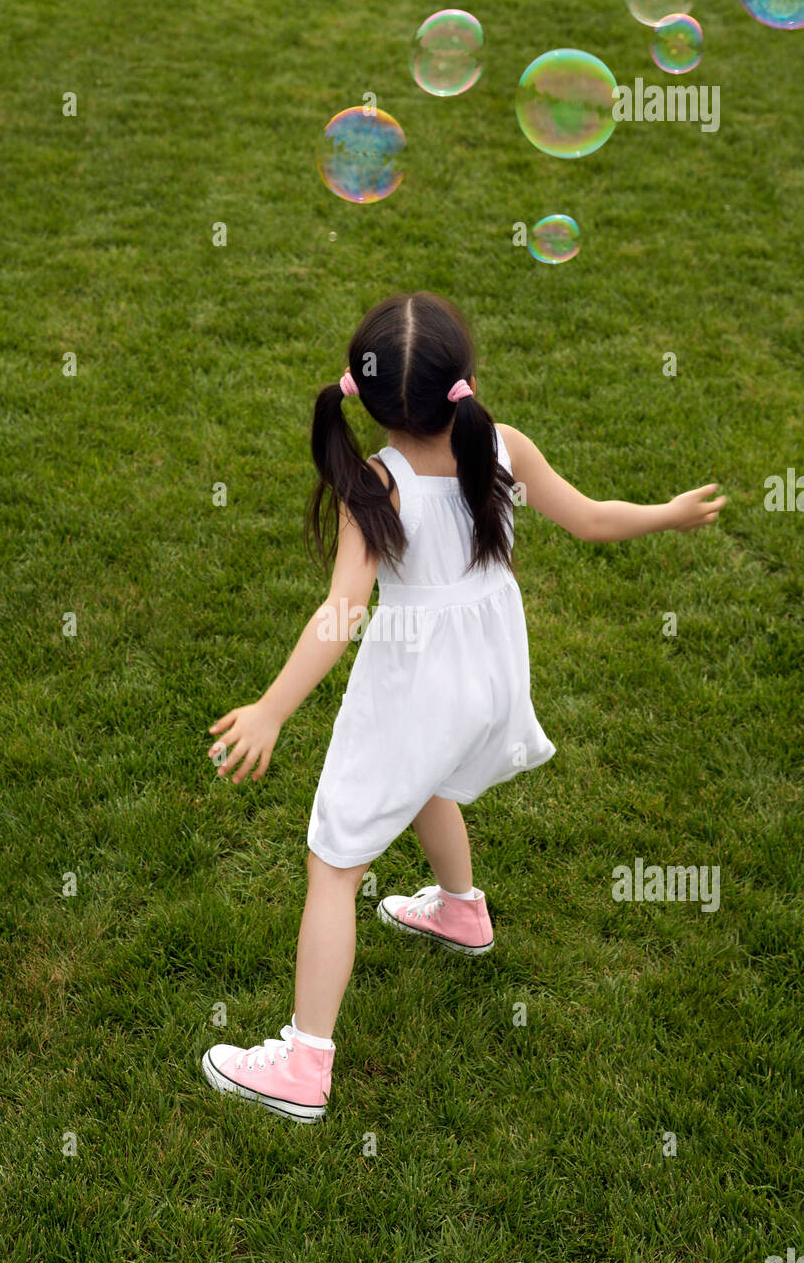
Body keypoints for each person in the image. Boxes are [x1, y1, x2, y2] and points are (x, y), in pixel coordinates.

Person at [200, 291, 726, 1124]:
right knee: (430, 777)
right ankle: (459, 910)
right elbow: (588, 519)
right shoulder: (503, 446)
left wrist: (272, 707)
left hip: (414, 688)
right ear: (466, 381)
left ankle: (303, 1063)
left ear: (367, 402)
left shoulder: (381, 483)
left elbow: (342, 613)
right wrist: (666, 515)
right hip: (486, 678)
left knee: (335, 861)